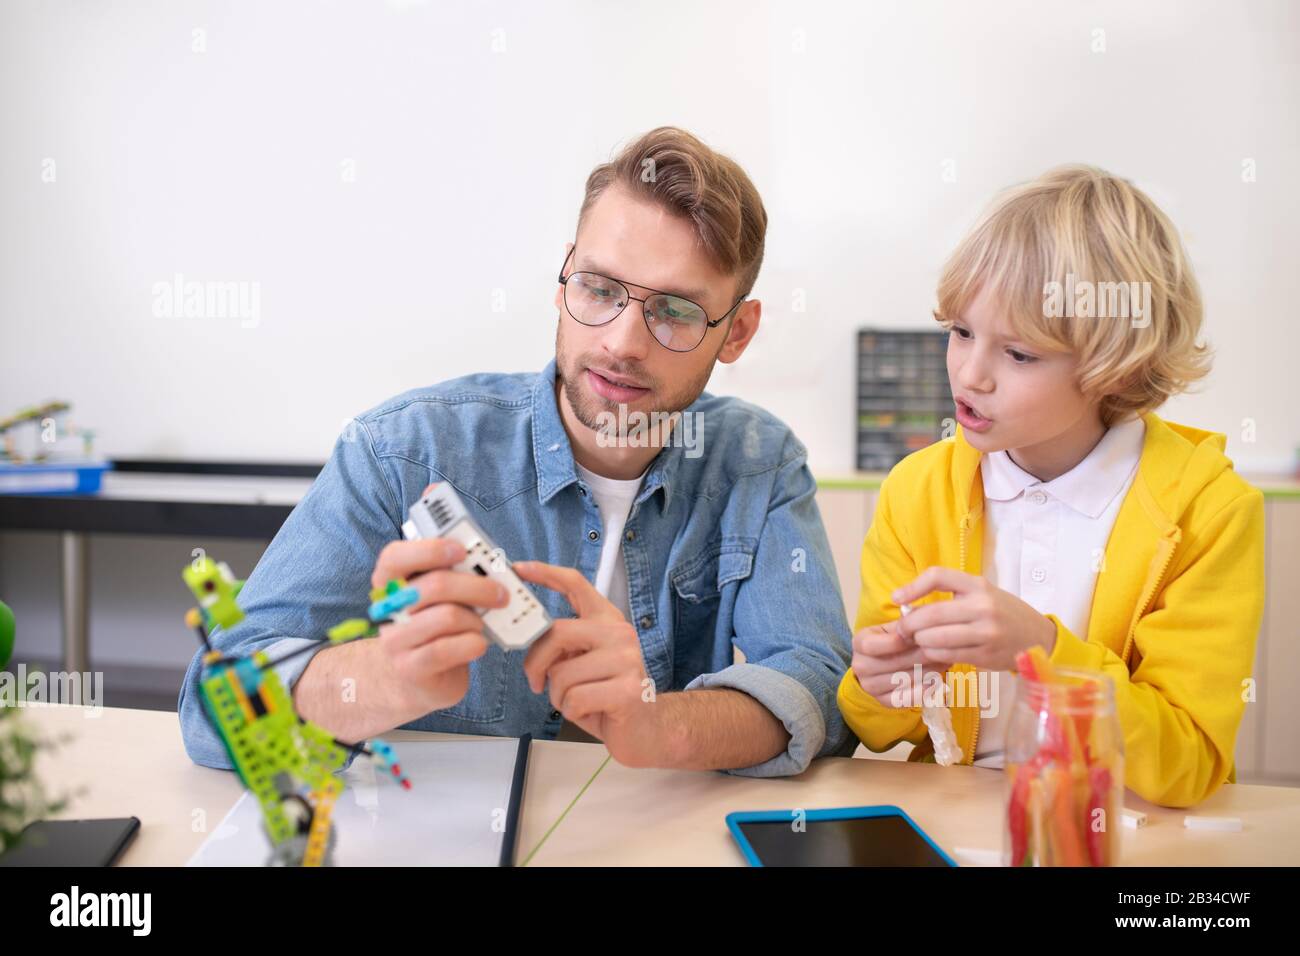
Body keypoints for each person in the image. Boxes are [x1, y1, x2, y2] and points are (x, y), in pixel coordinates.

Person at [180, 127, 855, 777]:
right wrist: (390, 678)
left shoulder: (759, 462)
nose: (622, 343)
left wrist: (659, 724)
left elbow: (821, 691)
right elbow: (217, 707)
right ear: (564, 279)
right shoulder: (400, 452)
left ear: (737, 332)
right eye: (599, 288)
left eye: (675, 311)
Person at [837, 165, 1265, 807]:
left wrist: (1041, 650)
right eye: (961, 332)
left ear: (1118, 369)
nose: (970, 374)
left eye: (1019, 354)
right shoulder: (916, 490)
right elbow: (877, 728)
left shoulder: (1209, 510)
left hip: (1130, 832)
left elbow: (1187, 763)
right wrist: (878, 685)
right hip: (964, 820)